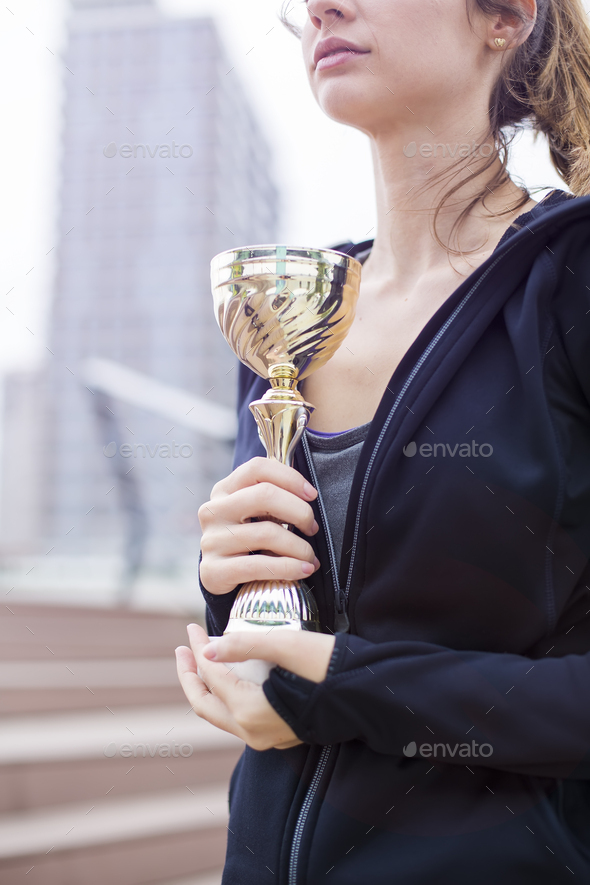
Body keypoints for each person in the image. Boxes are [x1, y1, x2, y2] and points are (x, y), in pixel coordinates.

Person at [175, 1, 590, 882]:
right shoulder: (291, 314)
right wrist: (230, 583)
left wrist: (342, 686)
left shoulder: (572, 282)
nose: (321, 6)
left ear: (506, 18)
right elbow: (283, 659)